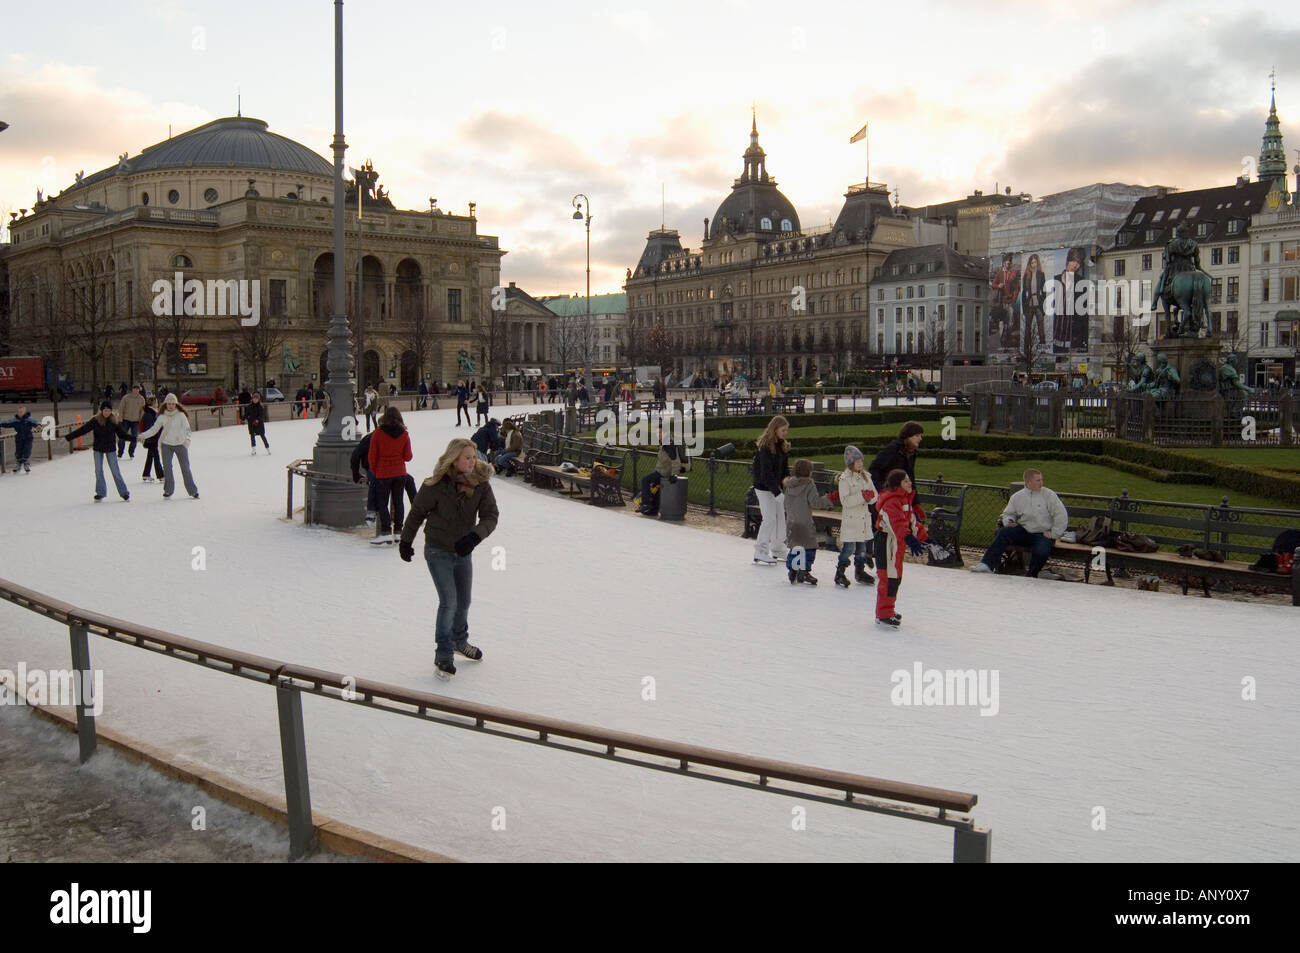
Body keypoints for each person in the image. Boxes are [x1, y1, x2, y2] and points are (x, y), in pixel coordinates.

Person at [399, 438, 499, 680]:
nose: (472, 461)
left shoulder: (480, 483)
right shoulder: (436, 484)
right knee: (449, 602)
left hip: (463, 550)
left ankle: (459, 641)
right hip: (438, 550)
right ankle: (443, 654)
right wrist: (406, 541)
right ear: (454, 458)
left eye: (474, 457)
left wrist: (474, 537)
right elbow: (417, 513)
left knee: (464, 601)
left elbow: (491, 515)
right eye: (467, 457)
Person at [970, 469, 1068, 580]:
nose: (1041, 483)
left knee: (1041, 551)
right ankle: (986, 565)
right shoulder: (1017, 497)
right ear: (1028, 482)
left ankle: (1032, 575)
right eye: (1038, 480)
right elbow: (1008, 514)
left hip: (1043, 534)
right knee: (1003, 532)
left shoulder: (1049, 495)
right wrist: (1009, 521)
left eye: (1041, 480)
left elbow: (1061, 515)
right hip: (1024, 531)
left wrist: (1054, 533)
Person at [868, 421, 924, 576]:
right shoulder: (893, 450)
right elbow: (874, 469)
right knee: (883, 530)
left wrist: (916, 502)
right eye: (917, 436)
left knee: (894, 529)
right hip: (885, 498)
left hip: (899, 497)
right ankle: (878, 562)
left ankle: (887, 563)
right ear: (907, 437)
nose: (920, 439)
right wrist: (881, 490)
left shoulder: (911, 453)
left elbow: (910, 477)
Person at [874, 469, 928, 628]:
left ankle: (888, 609)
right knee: (889, 578)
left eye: (909, 480)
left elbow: (911, 522)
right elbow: (896, 524)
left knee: (895, 578)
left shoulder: (904, 500)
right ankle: (883, 615)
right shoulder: (892, 501)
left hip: (897, 543)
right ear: (898, 485)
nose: (910, 483)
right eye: (905, 481)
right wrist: (909, 539)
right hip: (887, 543)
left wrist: (925, 537)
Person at [65, 401, 134, 501]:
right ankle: (100, 492)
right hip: (98, 449)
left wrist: (135, 438)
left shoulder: (114, 421)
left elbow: (122, 434)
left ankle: (124, 492)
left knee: (115, 471)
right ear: (101, 410)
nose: (107, 412)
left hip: (110, 449)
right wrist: (68, 437)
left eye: (109, 410)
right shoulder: (95, 420)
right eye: (105, 410)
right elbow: (83, 430)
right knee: (98, 471)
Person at [136, 393, 199, 499]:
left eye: (173, 404)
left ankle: (192, 490)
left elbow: (187, 429)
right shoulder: (162, 416)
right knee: (167, 468)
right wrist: (143, 436)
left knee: (185, 468)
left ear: (176, 404)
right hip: (166, 445)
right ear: (165, 404)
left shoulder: (181, 415)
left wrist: (187, 440)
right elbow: (154, 429)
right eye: (169, 404)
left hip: (180, 444)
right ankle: (168, 490)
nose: (171, 406)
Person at [782, 459, 835, 585]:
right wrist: (828, 499)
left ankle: (793, 569)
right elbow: (815, 502)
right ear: (809, 472)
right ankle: (804, 571)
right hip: (805, 522)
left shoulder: (790, 485)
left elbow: (785, 503)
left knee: (795, 546)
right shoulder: (809, 484)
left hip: (792, 522)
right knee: (809, 548)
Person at [834, 445, 877, 588]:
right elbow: (845, 501)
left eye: (861, 461)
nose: (860, 463)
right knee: (849, 548)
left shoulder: (866, 477)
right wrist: (861, 497)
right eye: (857, 461)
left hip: (864, 518)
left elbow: (874, 495)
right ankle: (840, 572)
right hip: (852, 520)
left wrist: (870, 498)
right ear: (850, 463)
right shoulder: (845, 479)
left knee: (862, 548)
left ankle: (860, 571)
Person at [751, 415, 791, 565]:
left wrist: (786, 479)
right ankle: (760, 550)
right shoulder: (765, 448)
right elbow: (765, 474)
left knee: (780, 517)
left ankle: (778, 547)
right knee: (769, 518)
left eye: (786, 430)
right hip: (763, 487)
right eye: (783, 430)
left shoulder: (782, 446)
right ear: (775, 429)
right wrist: (777, 492)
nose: (785, 433)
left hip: (775, 488)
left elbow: (784, 469)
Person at [369, 406, 413, 538]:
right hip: (400, 472)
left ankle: (386, 530)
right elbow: (408, 457)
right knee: (398, 501)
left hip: (383, 473)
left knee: (383, 502)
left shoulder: (377, 433)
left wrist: (375, 471)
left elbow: (372, 456)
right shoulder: (404, 434)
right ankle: (399, 530)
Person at [637, 439, 692, 516]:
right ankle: (653, 510)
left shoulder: (669, 445)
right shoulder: (664, 444)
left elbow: (676, 462)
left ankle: (646, 504)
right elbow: (662, 462)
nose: (658, 435)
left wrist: (674, 475)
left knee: (645, 480)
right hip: (662, 471)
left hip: (664, 473)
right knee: (657, 488)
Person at [0, 404, 38, 474]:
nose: (20, 413)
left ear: (25, 412)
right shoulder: (15, 420)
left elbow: (36, 423)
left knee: (27, 450)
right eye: (19, 412)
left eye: (21, 412)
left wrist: (38, 426)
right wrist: (1, 423)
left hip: (28, 437)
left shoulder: (29, 419)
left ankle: (26, 464)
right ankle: (18, 464)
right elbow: (7, 423)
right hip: (19, 438)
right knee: (18, 451)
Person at [1020, 253, 1047, 353]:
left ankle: (1043, 350)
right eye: (1032, 263)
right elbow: (1023, 293)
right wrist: (1024, 308)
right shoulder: (1026, 275)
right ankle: (1026, 351)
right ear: (1029, 264)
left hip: (1039, 304)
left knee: (1041, 328)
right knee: (1027, 329)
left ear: (1037, 262)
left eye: (1035, 262)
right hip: (1029, 304)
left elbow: (1044, 291)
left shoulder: (1041, 274)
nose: (1033, 264)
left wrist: (1044, 306)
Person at [115, 384, 146, 459]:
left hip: (135, 421)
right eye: (134, 389)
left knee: (134, 437)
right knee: (122, 436)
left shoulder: (141, 399)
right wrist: (120, 419)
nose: (136, 391)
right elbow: (121, 408)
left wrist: (140, 419)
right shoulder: (126, 397)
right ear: (132, 390)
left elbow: (143, 410)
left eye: (137, 389)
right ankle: (120, 453)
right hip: (126, 420)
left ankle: (131, 452)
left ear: (139, 390)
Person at [139, 396, 163, 482]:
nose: (157, 404)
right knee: (156, 457)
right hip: (152, 439)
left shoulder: (152, 413)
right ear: (152, 404)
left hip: (152, 438)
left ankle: (146, 474)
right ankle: (161, 475)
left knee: (150, 456)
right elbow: (150, 428)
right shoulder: (149, 414)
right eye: (156, 402)